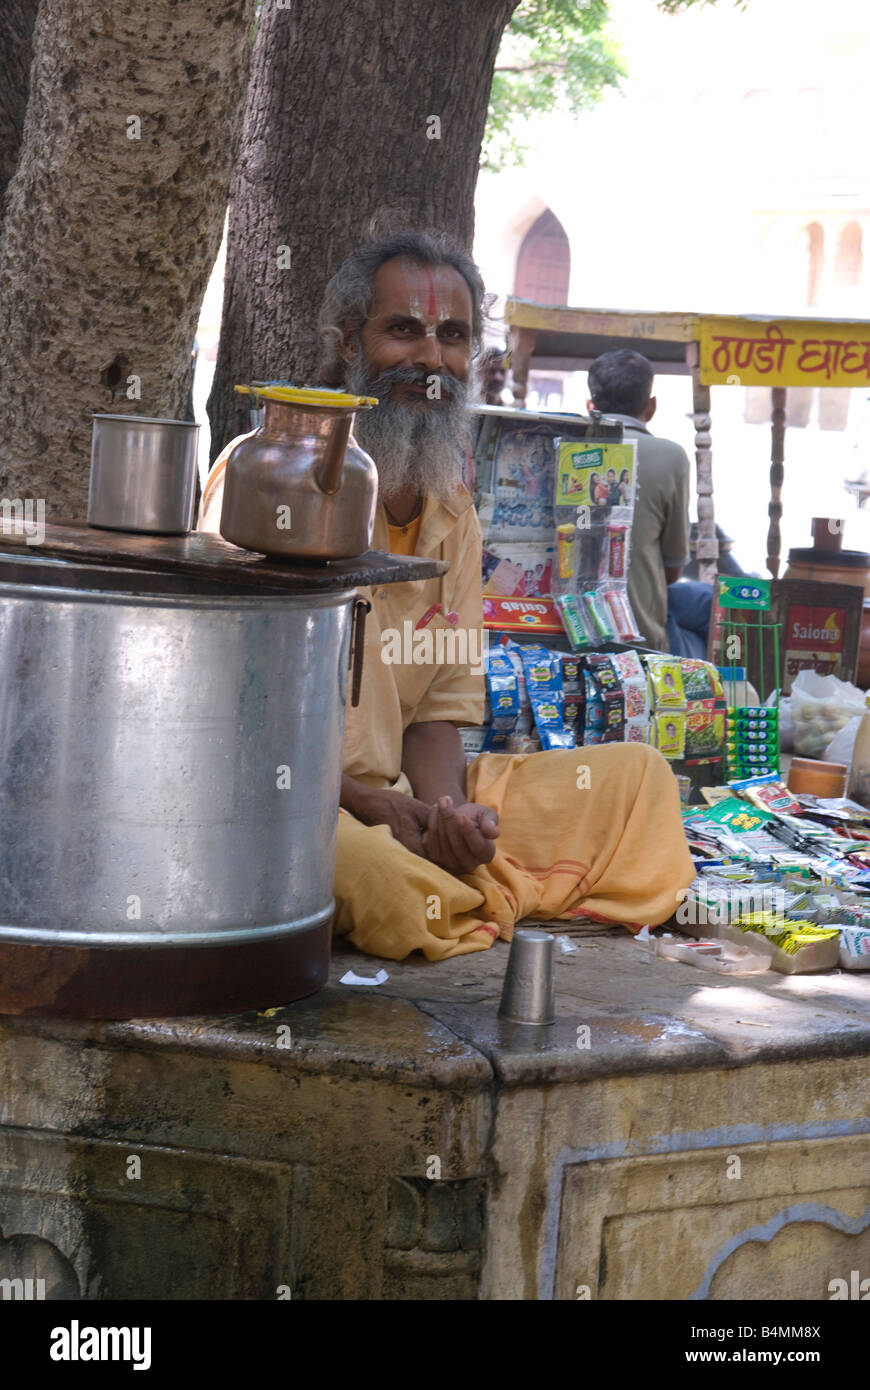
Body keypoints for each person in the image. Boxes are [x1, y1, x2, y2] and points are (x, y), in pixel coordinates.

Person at [200, 231, 694, 961]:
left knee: (637, 779)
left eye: (453, 337)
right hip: (288, 801)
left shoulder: (453, 510)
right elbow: (223, 719)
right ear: (347, 343)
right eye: (403, 330)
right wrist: (368, 806)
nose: (431, 360)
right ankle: (484, 897)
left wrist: (447, 813)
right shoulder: (268, 477)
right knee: (365, 869)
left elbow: (435, 711)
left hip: (403, 796)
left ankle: (468, 888)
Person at [587, 349, 712, 658]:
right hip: (640, 638)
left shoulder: (568, 445)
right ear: (651, 407)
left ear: (591, 406)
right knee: (707, 608)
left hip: (570, 625)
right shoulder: (670, 456)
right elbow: (673, 569)